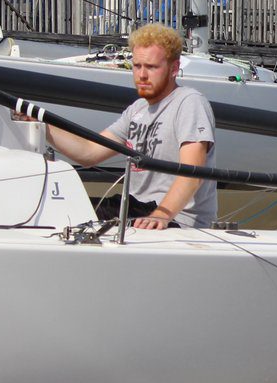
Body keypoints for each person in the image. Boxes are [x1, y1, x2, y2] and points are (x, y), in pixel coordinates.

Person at [44, 23, 217, 229]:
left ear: (174, 69)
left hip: (178, 220)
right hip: (136, 209)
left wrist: (161, 215)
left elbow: (192, 172)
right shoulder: (137, 109)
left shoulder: (189, 102)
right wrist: (43, 126)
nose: (142, 75)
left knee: (76, 218)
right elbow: (88, 153)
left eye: (151, 67)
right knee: (63, 210)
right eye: (137, 66)